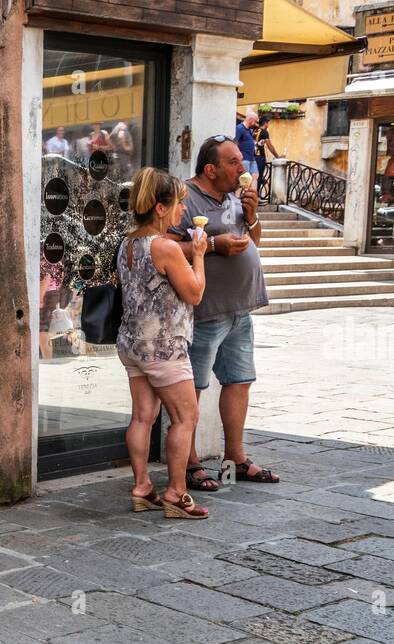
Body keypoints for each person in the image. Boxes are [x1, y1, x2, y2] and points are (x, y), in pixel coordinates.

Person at [168, 135, 280, 489]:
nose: (242, 168)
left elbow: (254, 240)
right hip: (203, 312)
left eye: (241, 162)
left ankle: (236, 457)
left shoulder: (235, 198)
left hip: (240, 309)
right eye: (233, 162)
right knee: (193, 389)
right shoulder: (184, 199)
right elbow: (165, 249)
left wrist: (253, 215)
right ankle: (190, 463)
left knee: (239, 381)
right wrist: (214, 245)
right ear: (210, 169)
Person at [116, 167, 210, 520]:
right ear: (159, 208)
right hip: (164, 347)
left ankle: (142, 486)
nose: (182, 211)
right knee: (186, 416)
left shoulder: (127, 243)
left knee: (143, 416)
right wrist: (198, 253)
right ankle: (176, 494)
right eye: (178, 204)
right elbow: (195, 293)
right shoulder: (166, 247)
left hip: (132, 343)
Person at [254, 114, 280, 184]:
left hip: (253, 157)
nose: (268, 125)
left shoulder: (255, 130)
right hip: (260, 157)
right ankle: (257, 193)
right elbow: (270, 146)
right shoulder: (264, 132)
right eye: (268, 123)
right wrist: (278, 157)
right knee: (258, 178)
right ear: (265, 123)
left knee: (254, 178)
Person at [235, 109, 259, 178]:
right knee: (245, 179)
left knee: (255, 176)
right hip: (244, 158)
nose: (255, 123)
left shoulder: (248, 130)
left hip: (252, 158)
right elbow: (235, 143)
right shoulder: (239, 128)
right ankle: (245, 189)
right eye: (255, 121)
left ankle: (253, 189)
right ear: (251, 119)